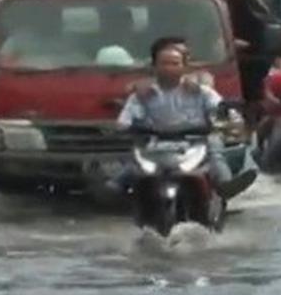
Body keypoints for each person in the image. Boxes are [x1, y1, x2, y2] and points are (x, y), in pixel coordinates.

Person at [97, 39, 257, 201]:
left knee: (214, 149)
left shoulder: (200, 90)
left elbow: (221, 109)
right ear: (154, 66)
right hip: (157, 143)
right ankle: (118, 185)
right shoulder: (143, 94)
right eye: (164, 63)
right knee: (137, 158)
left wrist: (226, 119)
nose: (169, 68)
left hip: (196, 141)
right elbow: (125, 120)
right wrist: (124, 128)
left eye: (174, 63)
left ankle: (224, 184)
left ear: (184, 66)